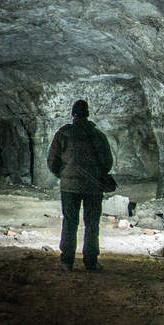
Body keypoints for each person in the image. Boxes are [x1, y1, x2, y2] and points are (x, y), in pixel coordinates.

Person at [47, 99, 114, 271]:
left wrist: (63, 174)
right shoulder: (98, 135)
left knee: (70, 221)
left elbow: (52, 160)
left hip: (69, 187)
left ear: (73, 114)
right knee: (92, 223)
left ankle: (67, 261)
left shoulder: (63, 133)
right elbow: (107, 162)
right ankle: (91, 262)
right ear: (87, 114)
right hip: (93, 187)